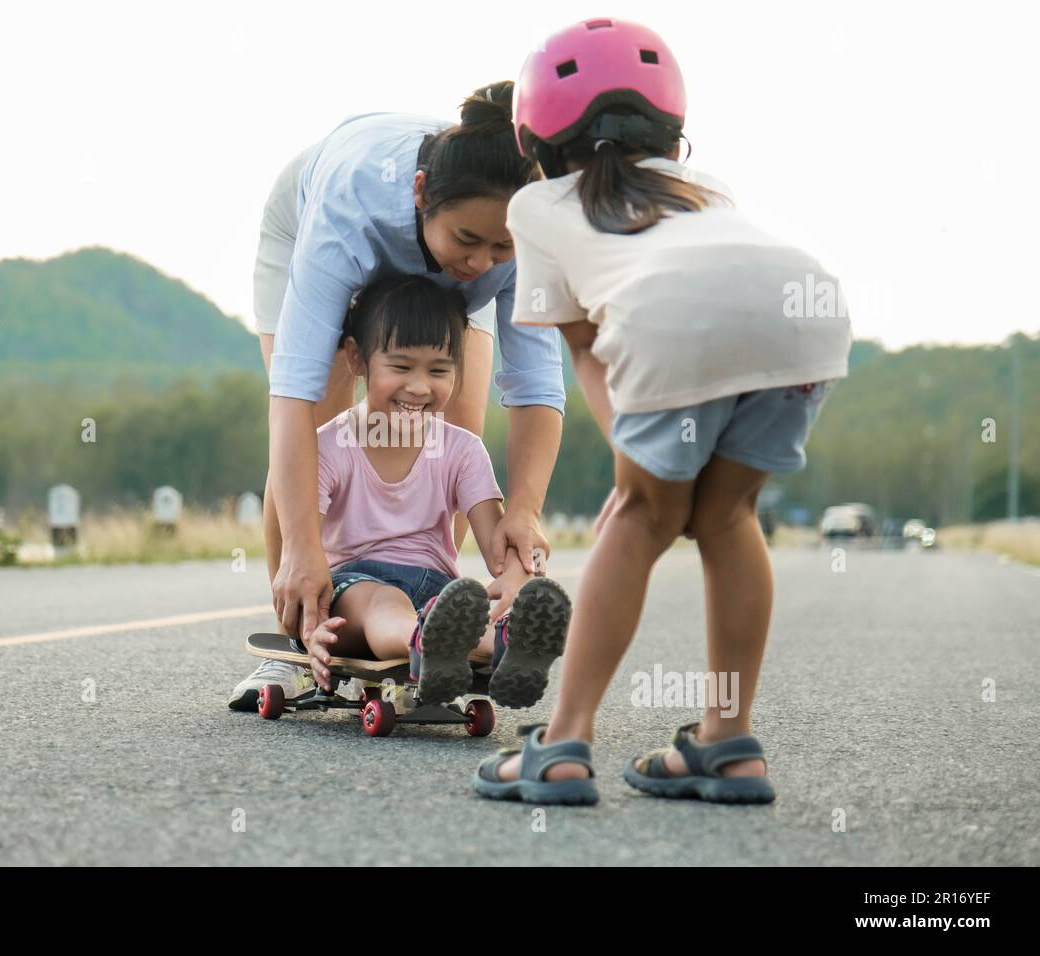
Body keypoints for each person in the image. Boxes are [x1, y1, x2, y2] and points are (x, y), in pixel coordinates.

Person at [473, 18, 852, 804]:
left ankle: (565, 743)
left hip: (672, 318)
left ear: (536, 136)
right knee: (728, 516)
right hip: (804, 311)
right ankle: (728, 741)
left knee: (636, 518)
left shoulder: (539, 206)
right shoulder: (705, 187)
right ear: (670, 125)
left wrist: (641, 480)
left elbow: (582, 345)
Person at [230, 84, 568, 711]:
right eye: (468, 241)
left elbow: (537, 386)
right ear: (420, 194)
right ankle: (301, 631)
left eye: (502, 249)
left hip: (446, 230)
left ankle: (443, 636)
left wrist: (522, 516)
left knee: (454, 434)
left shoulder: (515, 238)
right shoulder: (348, 212)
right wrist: (305, 550)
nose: (481, 262)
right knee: (327, 431)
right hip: (314, 226)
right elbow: (293, 397)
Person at [299, 274, 571, 708]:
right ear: (357, 359)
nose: (420, 387)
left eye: (439, 370)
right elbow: (305, 548)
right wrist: (307, 628)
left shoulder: (462, 450)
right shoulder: (329, 446)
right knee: (383, 601)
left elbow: (497, 546)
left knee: (463, 606)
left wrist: (518, 578)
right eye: (401, 367)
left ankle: (504, 645)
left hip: (438, 595)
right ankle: (432, 643)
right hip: (351, 588)